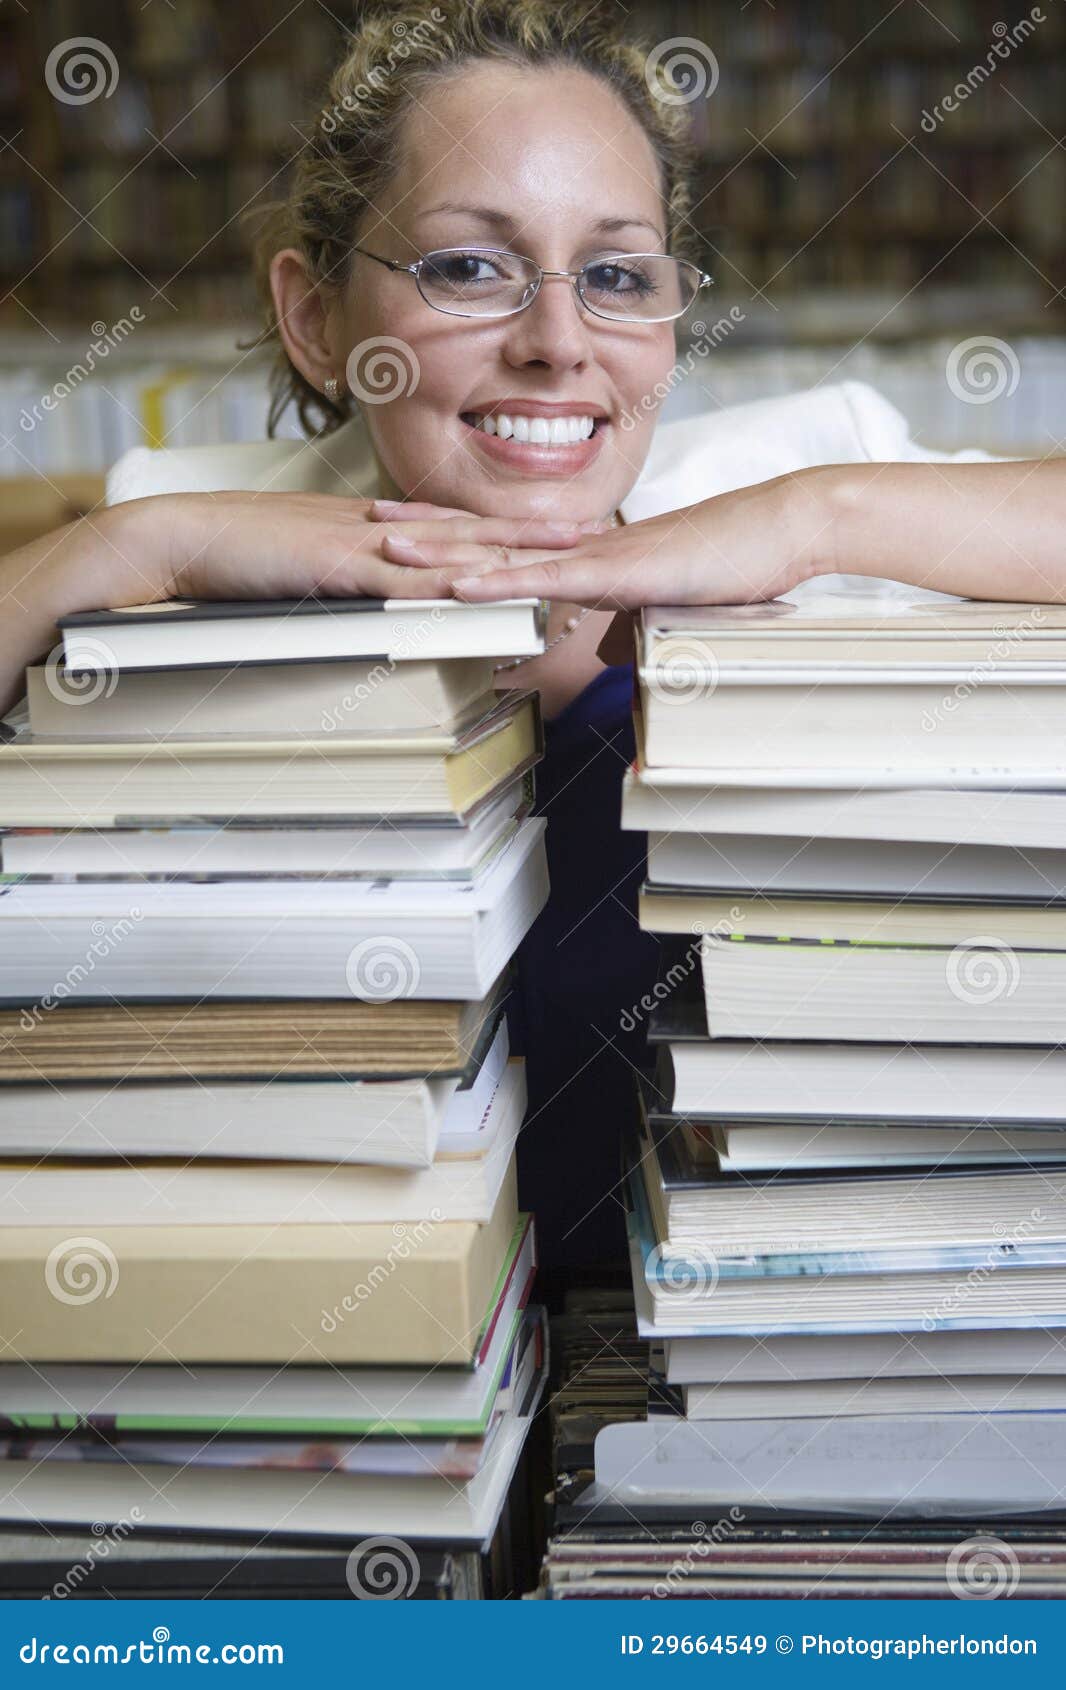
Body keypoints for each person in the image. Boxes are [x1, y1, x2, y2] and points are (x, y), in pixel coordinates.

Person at [5, 0, 1066, 1269]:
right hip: (344, 1377)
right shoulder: (172, 521)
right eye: (467, 266)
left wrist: (816, 519)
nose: (559, 344)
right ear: (317, 319)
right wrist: (123, 553)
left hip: (763, 1344)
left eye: (616, 275)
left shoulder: (812, 468)